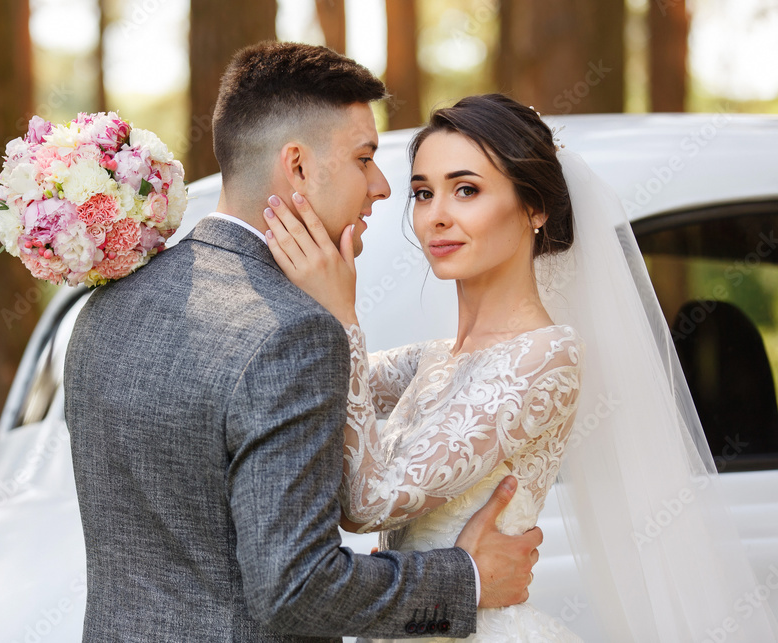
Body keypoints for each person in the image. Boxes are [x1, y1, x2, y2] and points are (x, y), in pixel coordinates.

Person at [63, 44, 541, 642]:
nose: (382, 186)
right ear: (297, 167)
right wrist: (465, 579)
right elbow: (295, 589)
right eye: (365, 158)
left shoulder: (110, 302)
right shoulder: (296, 333)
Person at [264, 93, 778, 641]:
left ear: (535, 209)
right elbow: (316, 379)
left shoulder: (547, 356)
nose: (435, 215)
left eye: (466, 190)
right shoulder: (434, 358)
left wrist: (341, 312)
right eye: (422, 193)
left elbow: (369, 502)